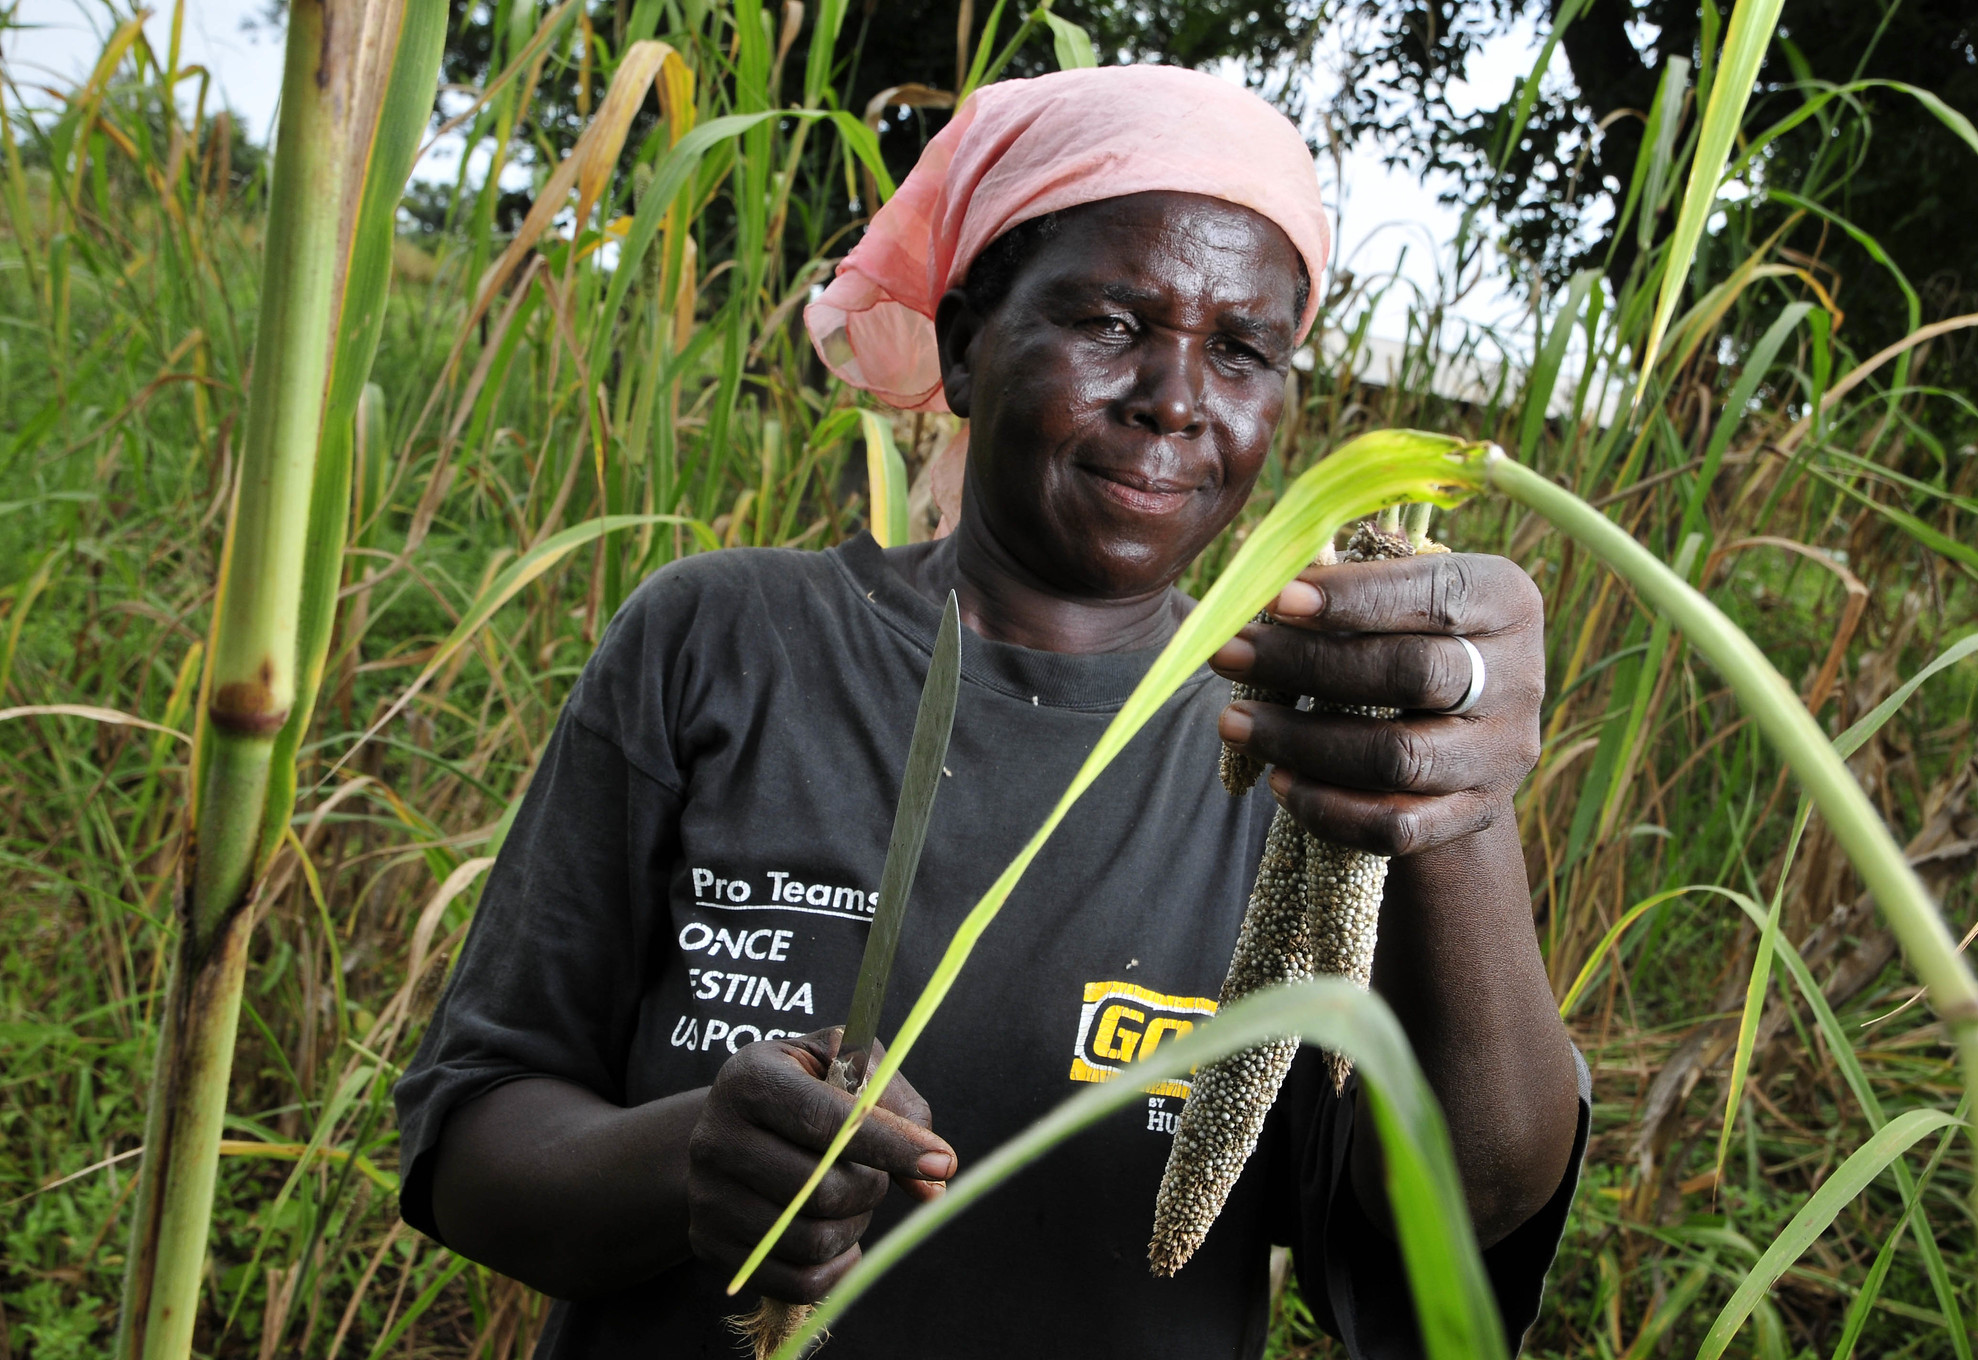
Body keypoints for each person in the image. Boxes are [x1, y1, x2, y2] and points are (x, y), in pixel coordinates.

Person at [394, 63, 1588, 1360]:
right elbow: (475, 1138)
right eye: (1114, 324)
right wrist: (688, 1163)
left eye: (1242, 351)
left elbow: (1457, 1212)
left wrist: (1461, 806)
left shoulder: (1302, 744)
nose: (1176, 399)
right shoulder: (724, 640)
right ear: (965, 345)